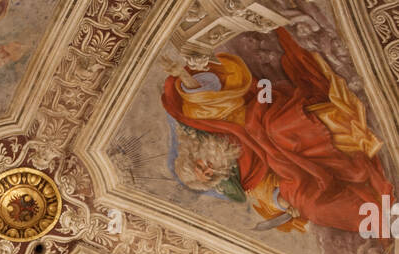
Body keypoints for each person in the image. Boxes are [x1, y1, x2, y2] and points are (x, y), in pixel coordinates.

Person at [162, 26, 394, 234]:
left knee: (277, 128)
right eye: (209, 175)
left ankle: (350, 175)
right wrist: (282, 202)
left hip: (268, 101)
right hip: (292, 166)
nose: (209, 167)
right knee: (310, 205)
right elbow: (266, 192)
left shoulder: (203, 121)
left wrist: (181, 74)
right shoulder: (243, 176)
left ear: (194, 155)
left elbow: (207, 91)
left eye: (200, 166)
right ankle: (375, 217)